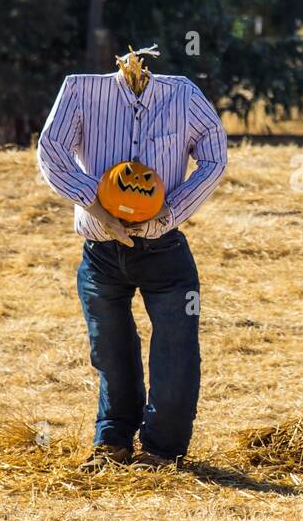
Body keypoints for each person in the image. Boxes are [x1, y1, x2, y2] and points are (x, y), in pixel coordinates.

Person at [36, 49, 227, 470]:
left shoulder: (184, 96)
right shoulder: (81, 90)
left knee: (176, 350)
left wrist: (171, 210)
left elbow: (215, 155)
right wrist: (94, 199)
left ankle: (161, 450)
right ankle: (112, 442)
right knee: (110, 350)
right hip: (101, 252)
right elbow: (51, 150)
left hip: (164, 251)